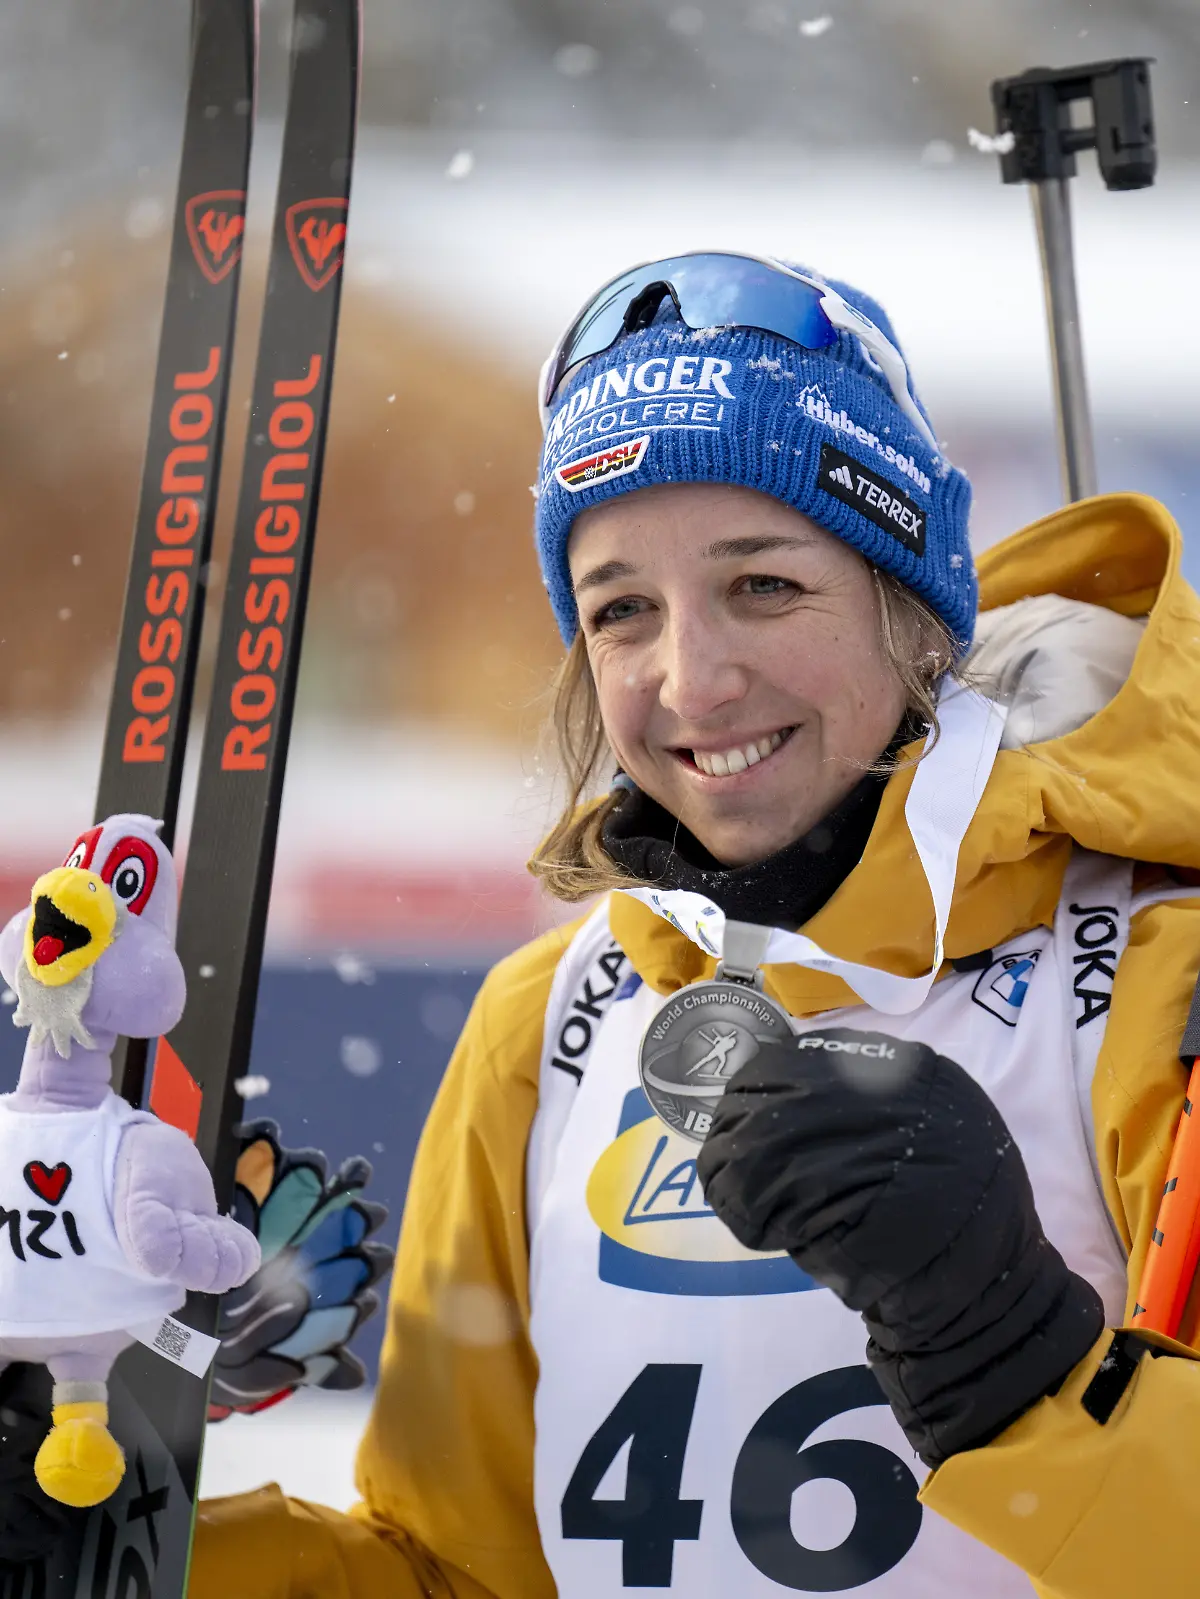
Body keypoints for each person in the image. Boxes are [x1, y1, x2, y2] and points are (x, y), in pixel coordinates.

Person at [193, 253, 1200, 1598]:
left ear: (913, 611)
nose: (695, 677)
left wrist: (1013, 1348)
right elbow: (460, 1571)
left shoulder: (1146, 974)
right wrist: (131, 1558)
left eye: (765, 586)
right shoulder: (549, 1023)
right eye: (622, 611)